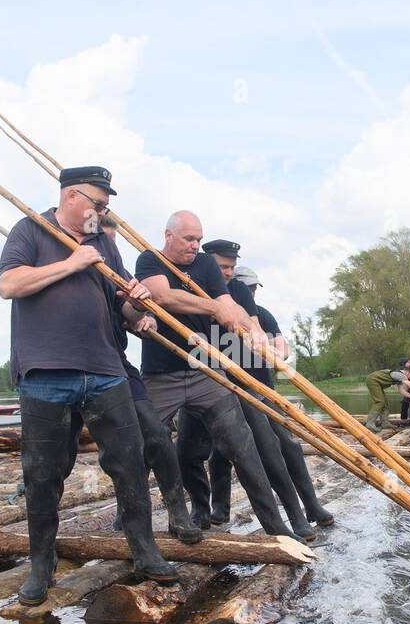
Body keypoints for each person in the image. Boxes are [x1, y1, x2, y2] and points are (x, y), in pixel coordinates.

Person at [0, 165, 179, 606]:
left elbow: (126, 313)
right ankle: (42, 565)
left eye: (106, 206)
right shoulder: (31, 230)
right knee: (43, 473)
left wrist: (138, 304)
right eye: (98, 204)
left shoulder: (103, 243)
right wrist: (72, 262)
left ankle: (144, 550)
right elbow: (8, 285)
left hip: (104, 370)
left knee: (130, 461)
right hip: (45, 373)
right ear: (72, 196)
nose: (102, 212)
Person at [134, 213, 298, 540]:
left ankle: (277, 528)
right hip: (161, 373)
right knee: (143, 448)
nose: (195, 245)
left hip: (205, 369)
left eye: (198, 239)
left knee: (242, 444)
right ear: (169, 235)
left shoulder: (206, 265)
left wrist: (254, 331)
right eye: (188, 239)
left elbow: (227, 304)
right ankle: (130, 522)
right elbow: (163, 297)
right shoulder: (149, 259)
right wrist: (212, 307)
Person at [195, 262, 334, 529]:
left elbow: (283, 350)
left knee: (285, 444)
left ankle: (311, 506)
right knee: (220, 450)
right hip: (223, 391)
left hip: (260, 390)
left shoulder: (262, 316)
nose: (250, 294)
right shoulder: (214, 315)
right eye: (245, 289)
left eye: (252, 289)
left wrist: (266, 348)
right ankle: (219, 508)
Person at [99, 215, 202, 546]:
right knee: (57, 458)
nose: (108, 247)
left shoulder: (113, 268)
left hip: (113, 363)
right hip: (64, 366)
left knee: (156, 435)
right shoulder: (67, 258)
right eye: (103, 240)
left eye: (112, 242)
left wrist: (142, 313)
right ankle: (125, 514)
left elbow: (130, 313)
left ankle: (177, 514)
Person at [365, 365, 410, 432]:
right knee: (380, 402)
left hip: (377, 383)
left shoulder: (400, 378)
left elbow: (401, 391)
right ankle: (370, 423)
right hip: (372, 380)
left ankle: (385, 423)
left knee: (385, 403)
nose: (409, 378)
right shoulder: (400, 375)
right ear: (407, 372)